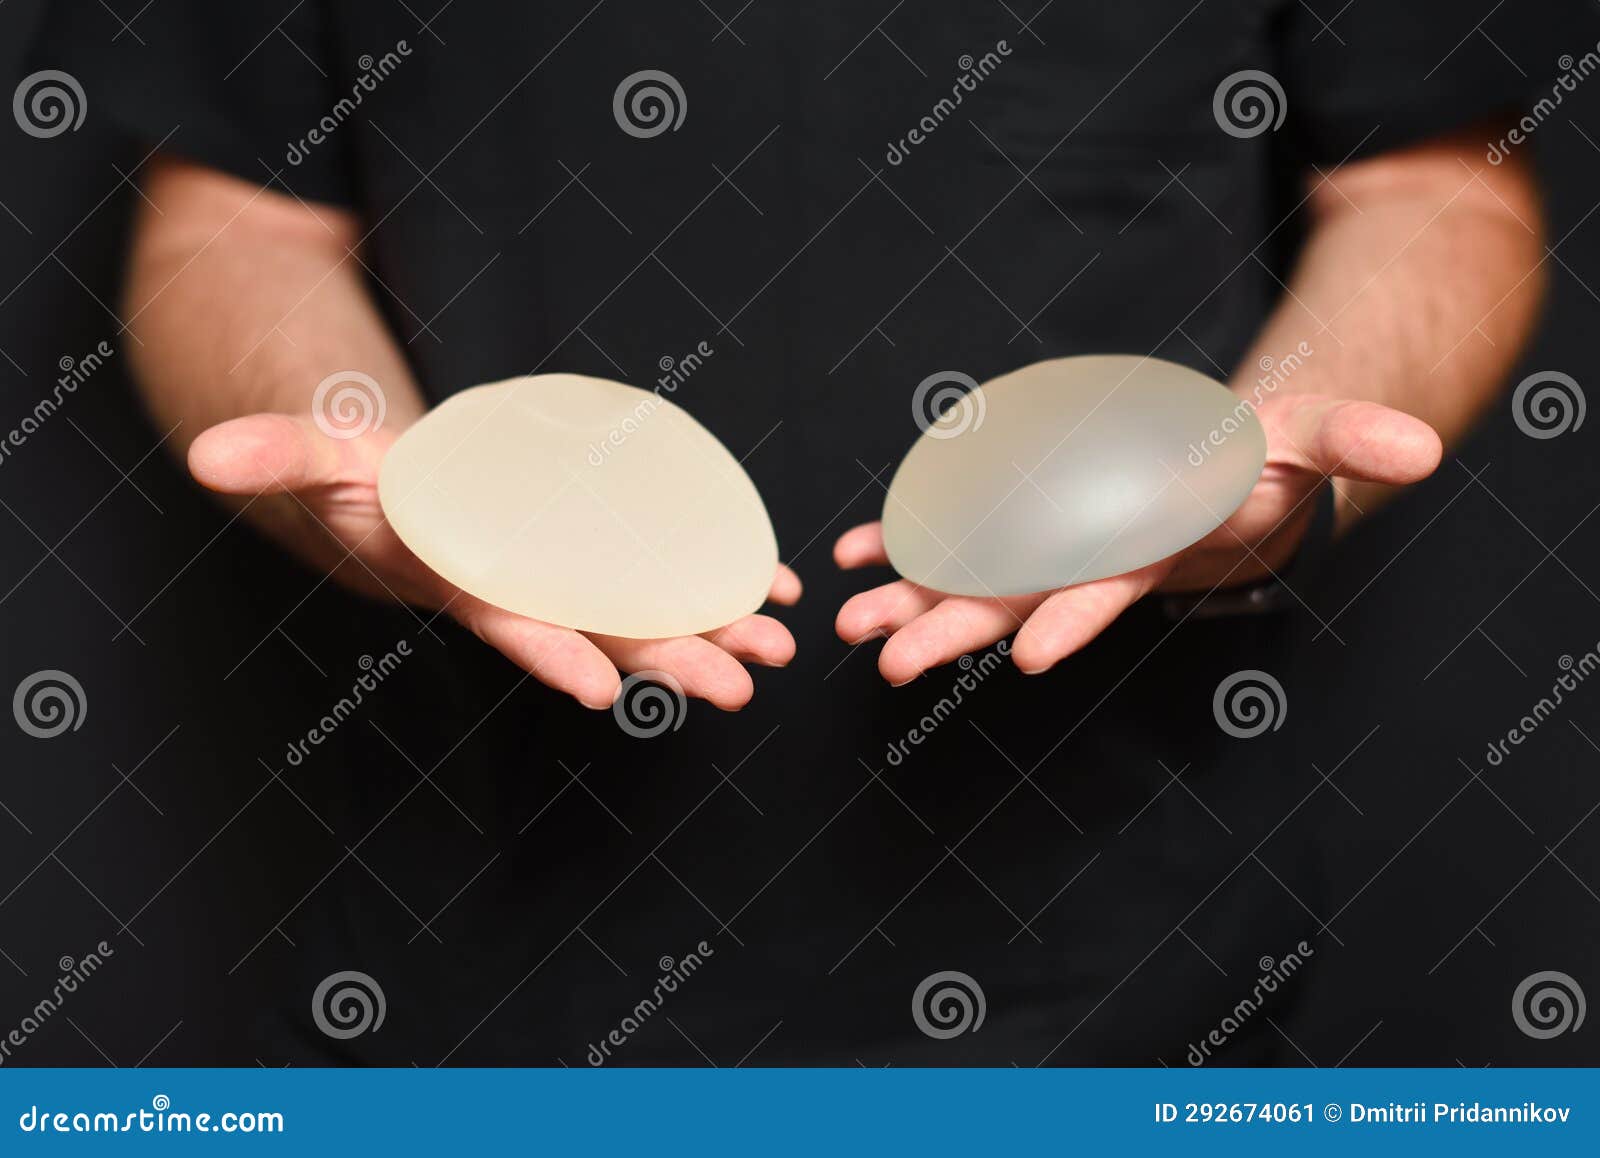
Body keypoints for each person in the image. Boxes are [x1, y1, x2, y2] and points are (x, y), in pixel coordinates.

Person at [39, 1, 1564, 1063]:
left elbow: (1435, 178)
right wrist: (376, 472)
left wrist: (1277, 448)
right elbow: (235, 218)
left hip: (1119, 964)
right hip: (475, 953)